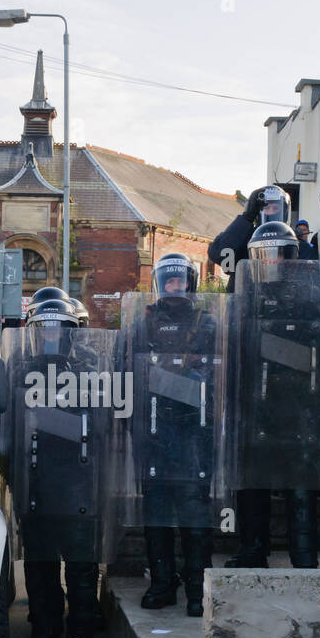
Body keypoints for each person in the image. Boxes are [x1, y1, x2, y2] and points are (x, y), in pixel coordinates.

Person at [3, 298, 109, 638]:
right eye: (43, 328)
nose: (49, 335)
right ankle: (44, 633)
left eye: (57, 328)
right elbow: (8, 428)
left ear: (71, 333)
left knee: (81, 567)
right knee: (39, 565)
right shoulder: (18, 371)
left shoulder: (90, 370)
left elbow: (104, 426)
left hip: (79, 481)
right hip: (35, 482)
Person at [229, 221, 320, 569]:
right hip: (255, 404)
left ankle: (304, 556)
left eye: (280, 254)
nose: (273, 262)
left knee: (300, 483)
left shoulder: (310, 296)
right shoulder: (244, 298)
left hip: (299, 403)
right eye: (267, 255)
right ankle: (252, 552)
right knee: (251, 484)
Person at [122, 253, 221, 617]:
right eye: (170, 281)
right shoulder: (142, 325)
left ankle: (198, 589)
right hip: (153, 429)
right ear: (159, 283)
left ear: (191, 283)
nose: (175, 287)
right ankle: (162, 583)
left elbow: (217, 375)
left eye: (181, 281)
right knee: (156, 514)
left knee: (195, 514)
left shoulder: (207, 323)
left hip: (194, 430)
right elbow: (127, 373)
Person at [209, 185, 312, 291]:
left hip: (286, 300)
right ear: (257, 210)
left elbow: (308, 279)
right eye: (266, 208)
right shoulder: (244, 238)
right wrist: (246, 218)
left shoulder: (295, 242)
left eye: (276, 208)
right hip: (246, 299)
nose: (271, 212)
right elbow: (221, 257)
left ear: (285, 211)